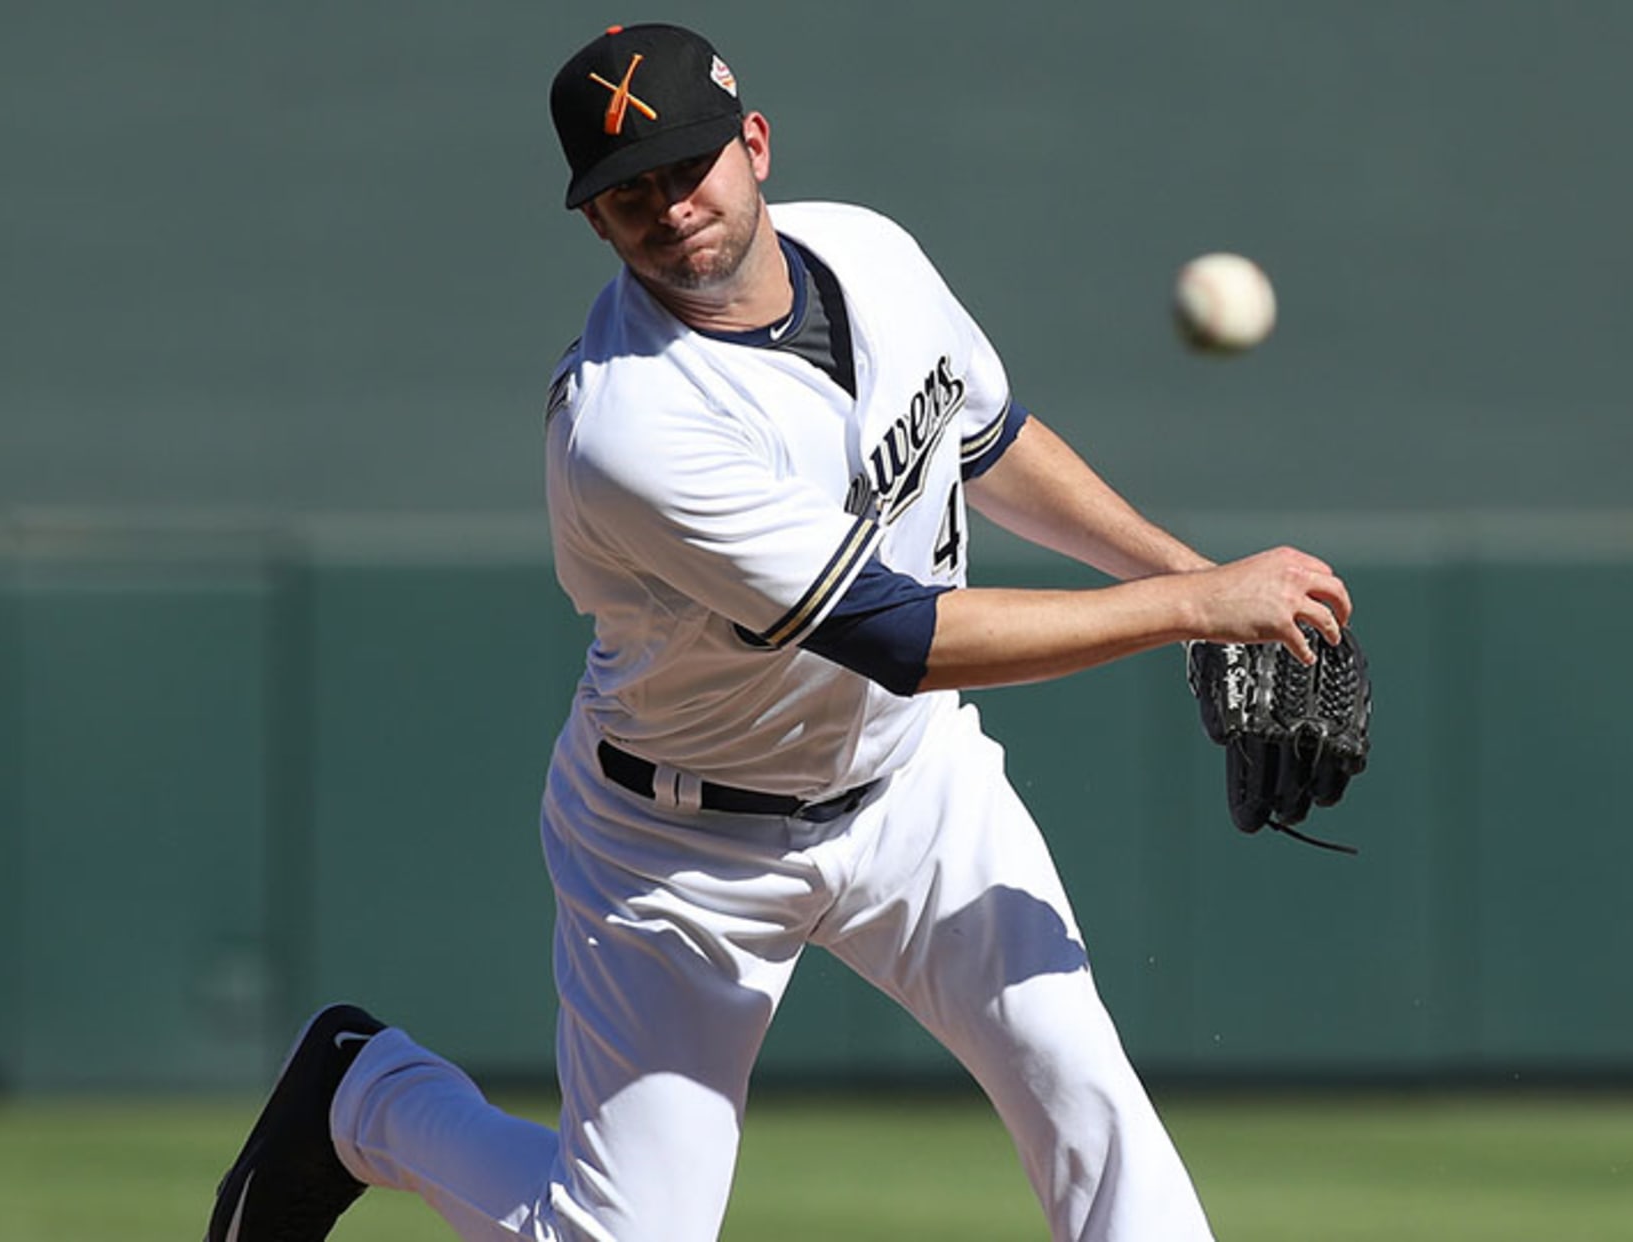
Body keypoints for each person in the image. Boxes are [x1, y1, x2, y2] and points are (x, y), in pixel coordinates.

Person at [204, 22, 1350, 1242]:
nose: (668, 207)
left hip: (911, 785)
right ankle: (363, 1094)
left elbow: (988, 442)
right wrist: (1196, 608)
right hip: (684, 850)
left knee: (1090, 1102)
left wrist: (1192, 579)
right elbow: (905, 635)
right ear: (595, 223)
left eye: (686, 166)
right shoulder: (629, 427)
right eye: (628, 192)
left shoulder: (873, 253)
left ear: (754, 145)